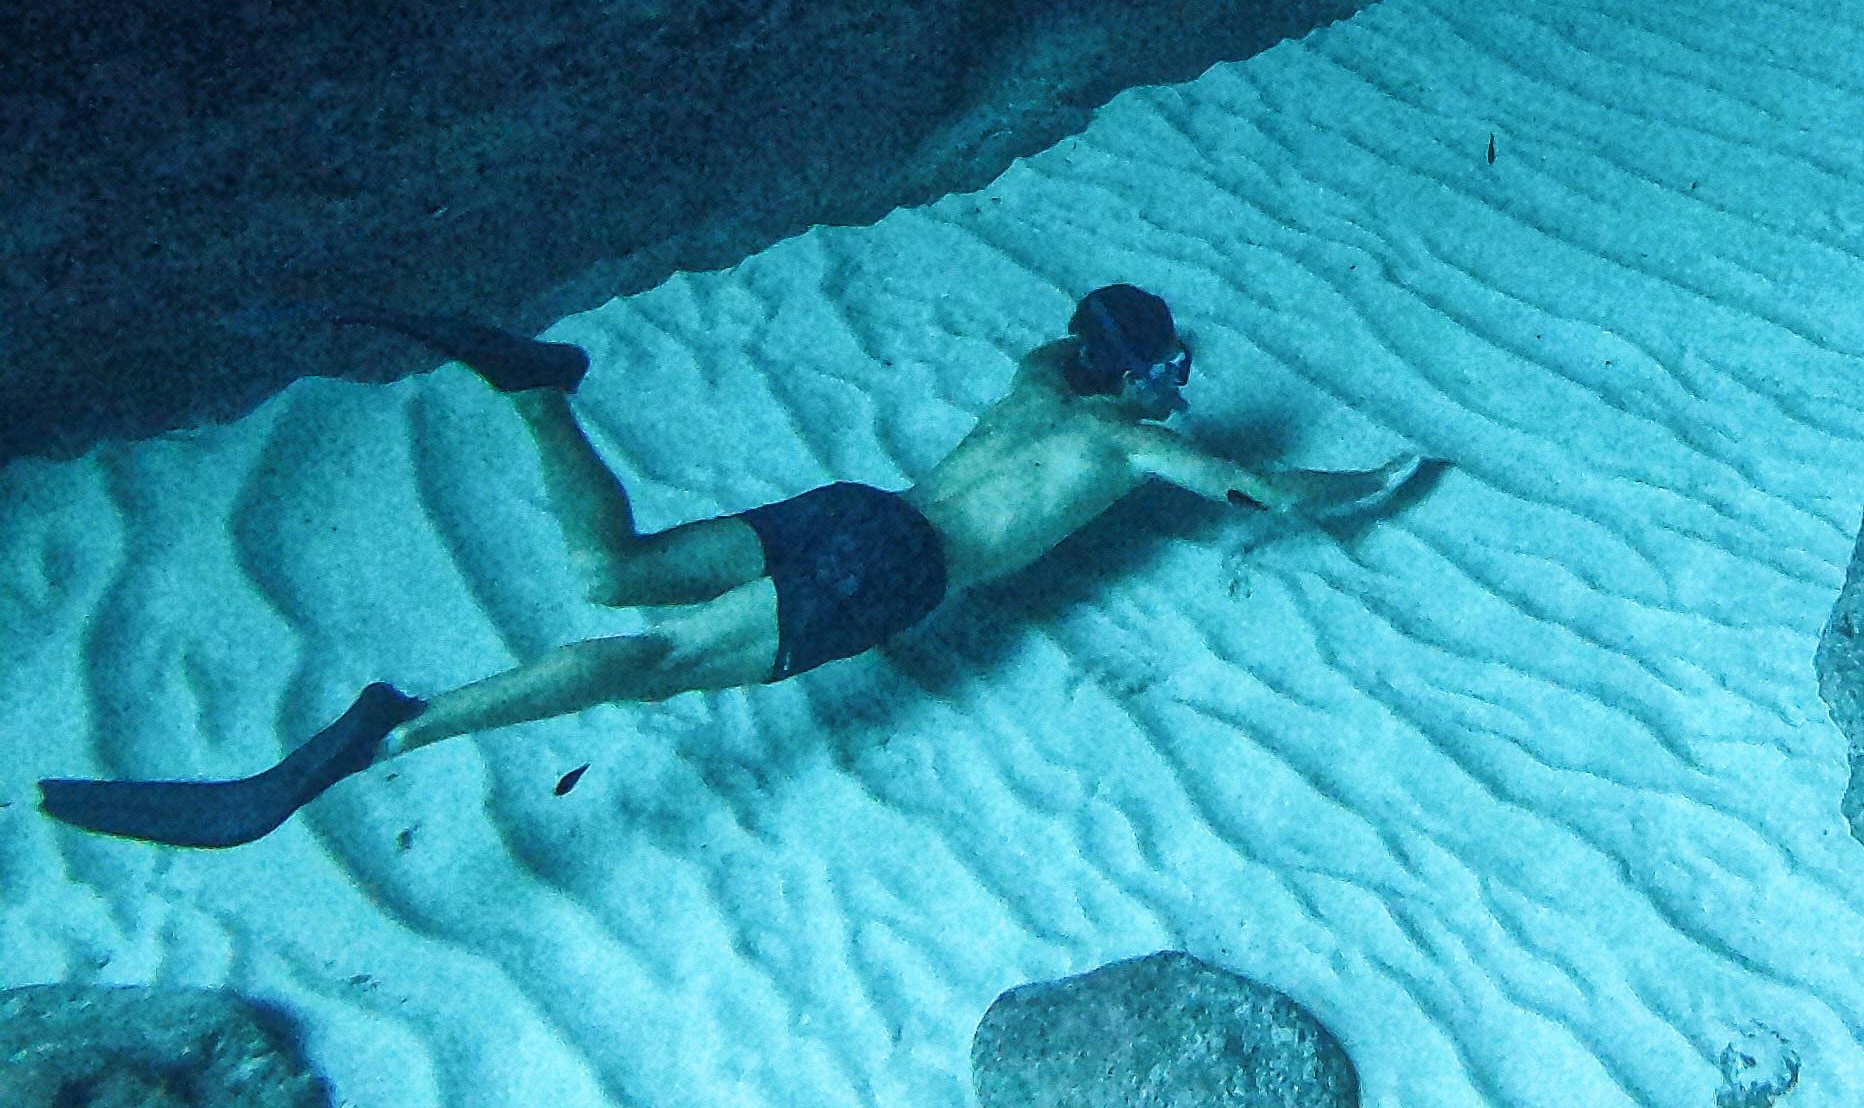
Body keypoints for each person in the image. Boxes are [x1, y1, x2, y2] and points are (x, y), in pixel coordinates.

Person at [40, 287, 1426, 851]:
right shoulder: (1128, 444)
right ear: (1143, 373)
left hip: (854, 506)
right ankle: (385, 733)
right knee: (644, 667)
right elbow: (1253, 483)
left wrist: (1110, 363)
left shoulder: (1036, 381)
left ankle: (537, 395)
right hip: (894, 569)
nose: (1179, 388)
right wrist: (1366, 483)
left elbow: (1072, 359)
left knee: (616, 570)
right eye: (1172, 369)